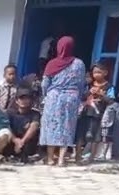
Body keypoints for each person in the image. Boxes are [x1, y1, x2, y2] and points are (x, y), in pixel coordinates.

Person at [40, 36, 86, 166]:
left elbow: (45, 84)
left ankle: (49, 158)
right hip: (71, 99)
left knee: (51, 127)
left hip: (53, 98)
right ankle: (61, 159)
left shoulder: (52, 64)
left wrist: (46, 96)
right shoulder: (79, 64)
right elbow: (81, 83)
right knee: (67, 127)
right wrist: (79, 96)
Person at [5, 88, 41, 163]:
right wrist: (15, 140)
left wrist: (21, 142)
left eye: (27, 98)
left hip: (26, 143)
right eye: (21, 98)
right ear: (16, 101)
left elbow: (34, 126)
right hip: (12, 142)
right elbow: (6, 126)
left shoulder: (35, 114)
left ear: (31, 100)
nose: (24, 101)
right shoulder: (9, 112)